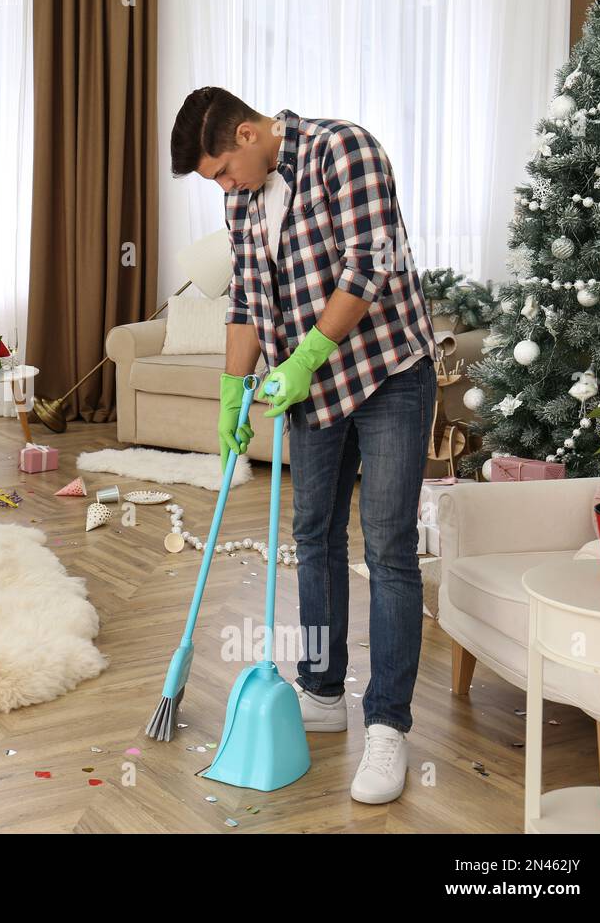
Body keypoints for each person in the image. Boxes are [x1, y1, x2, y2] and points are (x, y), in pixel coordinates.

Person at [170, 88, 436, 804]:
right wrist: (232, 392)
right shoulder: (244, 201)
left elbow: (368, 265)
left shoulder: (345, 149)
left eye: (225, 171)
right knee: (312, 534)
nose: (226, 187)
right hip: (311, 389)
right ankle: (322, 690)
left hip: (388, 375)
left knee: (385, 544)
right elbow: (249, 301)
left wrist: (309, 352)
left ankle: (387, 724)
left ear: (250, 134)